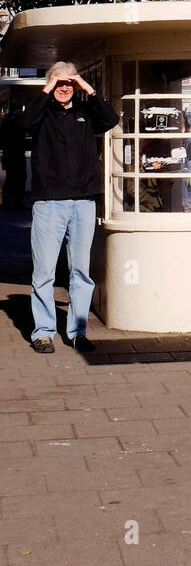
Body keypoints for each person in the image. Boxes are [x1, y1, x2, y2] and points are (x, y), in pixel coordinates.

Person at [5, 62, 119, 353]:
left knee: (80, 272)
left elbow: (111, 119)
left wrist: (87, 87)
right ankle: (43, 332)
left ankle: (78, 332)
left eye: (69, 83)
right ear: (50, 85)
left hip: (83, 202)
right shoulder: (41, 112)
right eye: (58, 83)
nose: (64, 88)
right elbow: (22, 125)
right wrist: (46, 88)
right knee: (44, 272)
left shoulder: (85, 112)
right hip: (49, 203)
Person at [0, 102, 29, 211]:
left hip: (8, 154)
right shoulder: (19, 120)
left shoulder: (5, 120)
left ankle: (7, 203)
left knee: (9, 179)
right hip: (17, 154)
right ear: (18, 109)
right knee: (20, 179)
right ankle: (17, 202)